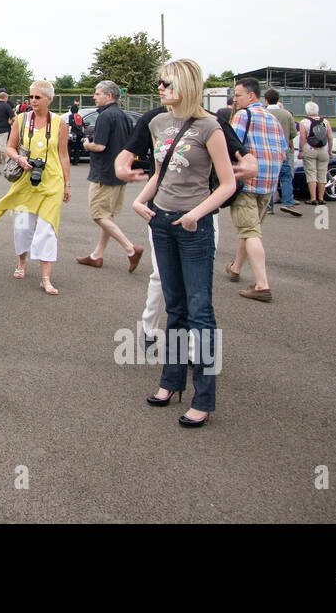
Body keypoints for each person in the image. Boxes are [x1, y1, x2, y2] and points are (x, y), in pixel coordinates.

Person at [131, 59, 237, 428]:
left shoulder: (211, 127)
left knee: (200, 312)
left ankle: (203, 398)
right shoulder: (159, 123)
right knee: (174, 307)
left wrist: (196, 214)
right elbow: (160, 172)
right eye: (159, 82)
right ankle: (170, 382)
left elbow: (227, 184)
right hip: (160, 221)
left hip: (194, 226)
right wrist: (140, 200)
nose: (160, 88)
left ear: (187, 86)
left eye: (167, 83)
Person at [0, 80, 72, 296]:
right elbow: (10, 147)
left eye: (38, 97)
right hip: (25, 182)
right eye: (31, 97)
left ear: (49, 100)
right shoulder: (21, 120)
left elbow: (63, 155)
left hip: (51, 183)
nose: (33, 101)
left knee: (47, 230)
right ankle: (22, 261)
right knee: (22, 226)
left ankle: (45, 278)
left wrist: (66, 184)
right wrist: (20, 159)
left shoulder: (59, 123)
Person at [226, 77, 289, 302]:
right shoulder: (273, 119)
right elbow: (283, 151)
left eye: (238, 95)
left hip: (247, 183)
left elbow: (231, 144)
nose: (235, 99)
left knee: (250, 232)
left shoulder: (243, 115)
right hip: (268, 184)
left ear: (251, 96)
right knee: (250, 230)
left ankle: (262, 284)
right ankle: (235, 268)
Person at [77, 80, 144, 272]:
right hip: (118, 173)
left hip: (104, 173)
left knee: (99, 215)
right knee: (108, 215)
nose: (94, 96)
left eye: (97, 93)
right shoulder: (122, 115)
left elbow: (99, 145)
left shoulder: (105, 116)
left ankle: (131, 249)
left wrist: (86, 145)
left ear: (108, 96)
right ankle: (97, 255)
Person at [263, 89, 301, 216]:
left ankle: (269, 206)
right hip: (282, 151)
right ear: (278, 99)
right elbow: (293, 133)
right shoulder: (286, 114)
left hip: (266, 152)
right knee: (286, 178)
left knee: (269, 179)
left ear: (266, 100)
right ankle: (288, 203)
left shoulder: (263, 113)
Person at [297, 101, 334, 207]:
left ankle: (313, 198)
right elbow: (330, 137)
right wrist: (330, 150)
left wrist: (300, 150)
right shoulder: (325, 121)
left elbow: (303, 138)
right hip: (323, 150)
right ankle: (321, 198)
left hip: (310, 150)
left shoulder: (304, 122)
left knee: (311, 173)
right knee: (322, 174)